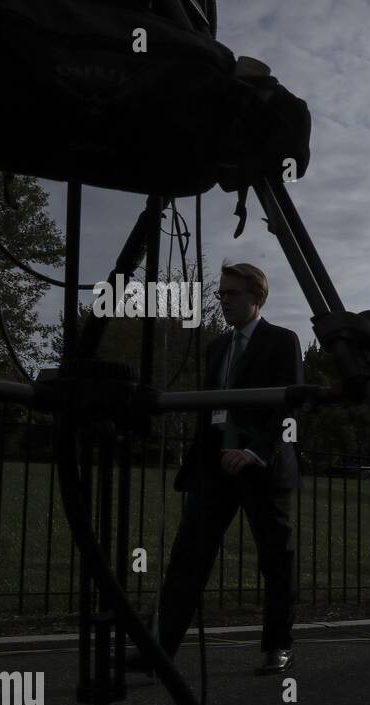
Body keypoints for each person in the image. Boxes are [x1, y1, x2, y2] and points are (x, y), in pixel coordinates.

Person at [133, 262, 304, 675]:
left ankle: (277, 645)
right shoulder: (216, 347)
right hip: (214, 466)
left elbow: (289, 404)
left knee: (275, 558)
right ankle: (160, 651)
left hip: (260, 466)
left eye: (232, 293)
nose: (224, 299)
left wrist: (256, 452)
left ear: (256, 297)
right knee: (188, 556)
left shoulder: (282, 341)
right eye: (221, 293)